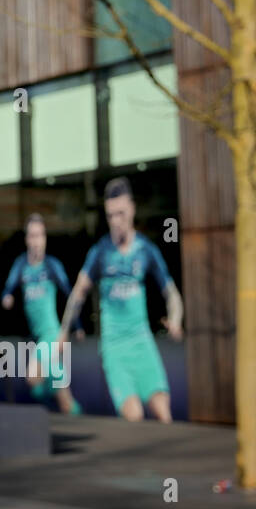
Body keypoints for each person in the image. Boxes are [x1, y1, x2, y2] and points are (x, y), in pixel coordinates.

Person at [59, 177, 184, 423]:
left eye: (121, 214)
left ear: (132, 209)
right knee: (134, 416)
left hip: (142, 342)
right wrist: (64, 332)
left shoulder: (146, 250)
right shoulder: (100, 252)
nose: (116, 221)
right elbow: (78, 293)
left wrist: (177, 320)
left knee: (163, 414)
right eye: (110, 216)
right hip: (114, 347)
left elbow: (172, 294)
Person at [1, 214, 81, 415]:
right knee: (56, 392)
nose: (37, 242)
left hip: (51, 334)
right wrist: (7, 297)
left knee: (33, 377)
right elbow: (8, 287)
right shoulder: (21, 265)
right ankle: (72, 413)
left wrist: (75, 327)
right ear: (27, 239)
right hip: (37, 336)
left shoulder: (52, 265)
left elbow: (71, 296)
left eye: (40, 236)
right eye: (33, 237)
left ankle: (70, 414)